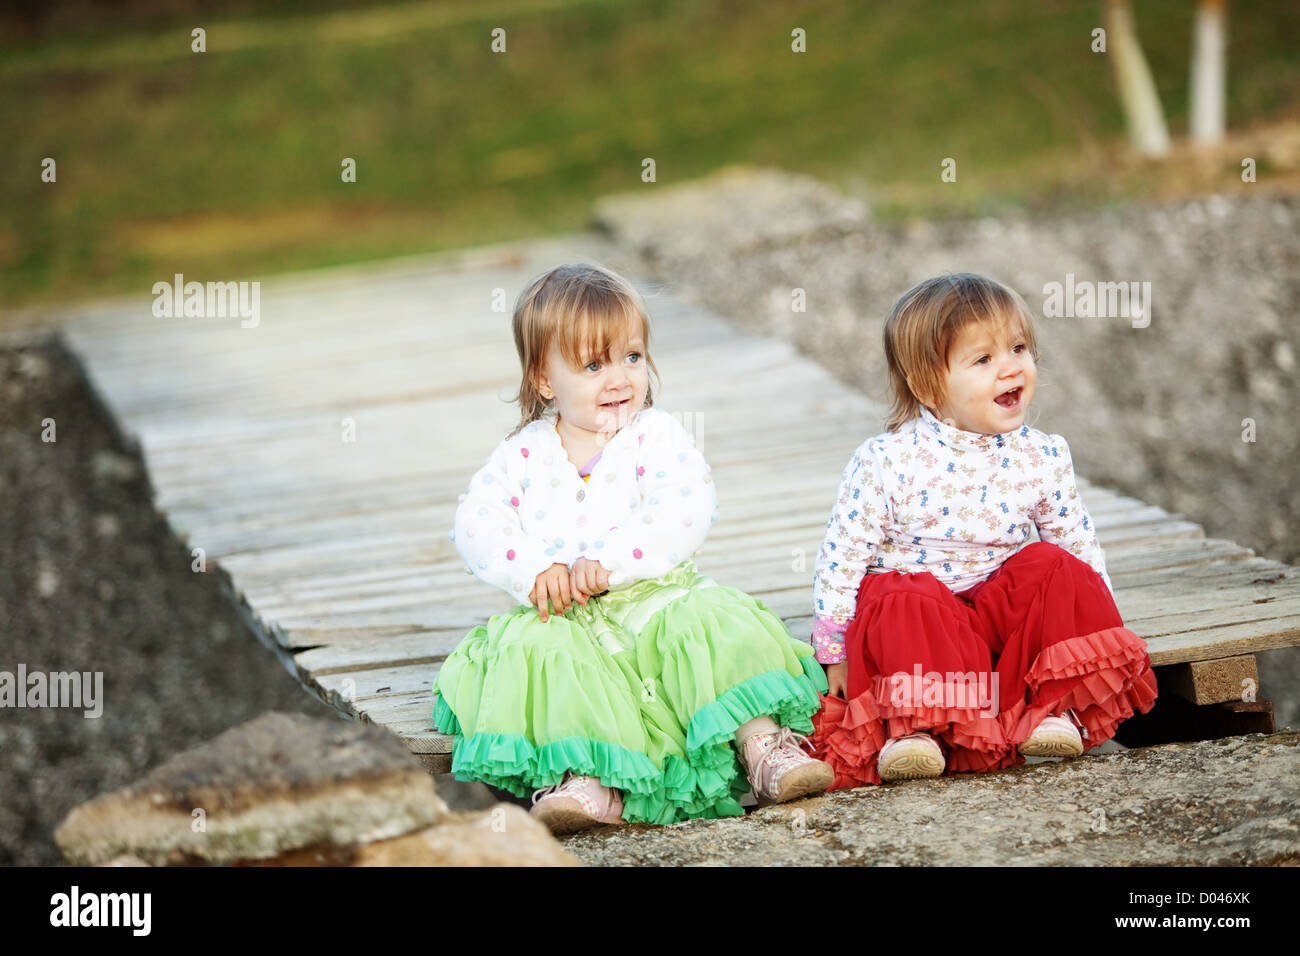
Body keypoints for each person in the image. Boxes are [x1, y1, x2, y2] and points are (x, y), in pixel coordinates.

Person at [435, 262, 833, 832]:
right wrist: (532, 569)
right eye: (593, 365)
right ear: (545, 381)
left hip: (655, 600)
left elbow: (686, 506)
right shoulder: (523, 454)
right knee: (547, 663)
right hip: (567, 615)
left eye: (632, 357)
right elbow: (476, 519)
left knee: (711, 633)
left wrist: (613, 561)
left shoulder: (655, 435)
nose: (619, 378)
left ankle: (765, 746)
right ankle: (583, 778)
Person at [809, 273, 1157, 786]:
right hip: (923, 629)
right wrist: (833, 649)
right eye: (983, 360)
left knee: (1056, 566)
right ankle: (916, 729)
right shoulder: (887, 461)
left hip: (999, 618)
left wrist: (1092, 630)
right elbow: (843, 556)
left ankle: (1050, 709)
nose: (1011, 367)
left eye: (1018, 348)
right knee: (900, 595)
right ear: (929, 387)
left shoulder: (1042, 454)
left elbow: (1075, 538)